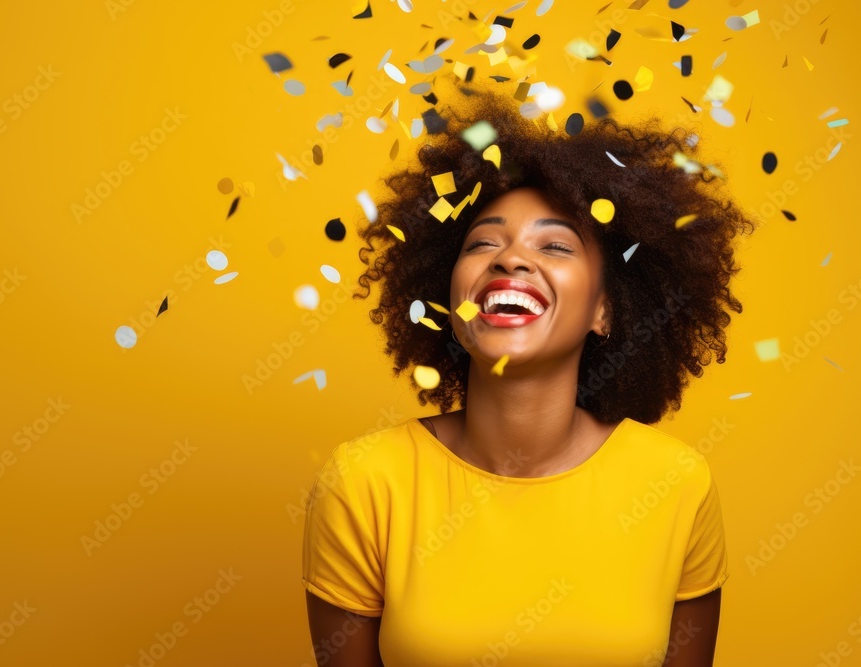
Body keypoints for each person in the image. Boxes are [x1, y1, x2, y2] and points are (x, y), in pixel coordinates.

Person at [301, 80, 758, 667]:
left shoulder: (675, 485)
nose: (511, 258)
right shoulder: (364, 483)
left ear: (605, 309)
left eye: (556, 248)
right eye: (482, 243)